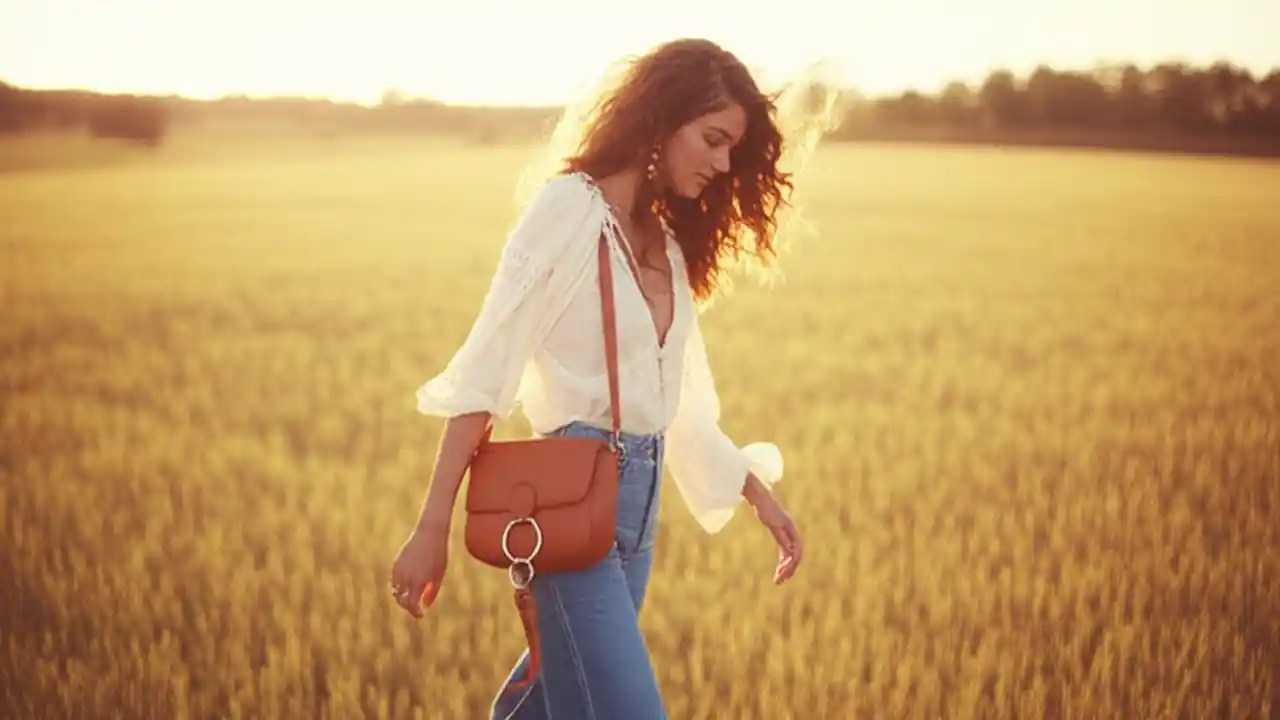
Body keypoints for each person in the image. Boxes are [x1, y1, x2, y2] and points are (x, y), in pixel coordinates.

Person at [391, 37, 807, 720]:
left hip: (638, 516)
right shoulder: (568, 211)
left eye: (732, 147)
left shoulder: (666, 243)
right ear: (661, 118)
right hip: (568, 506)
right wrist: (432, 525)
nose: (723, 162)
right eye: (712, 139)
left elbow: (678, 406)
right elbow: (486, 371)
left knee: (550, 706)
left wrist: (758, 496)